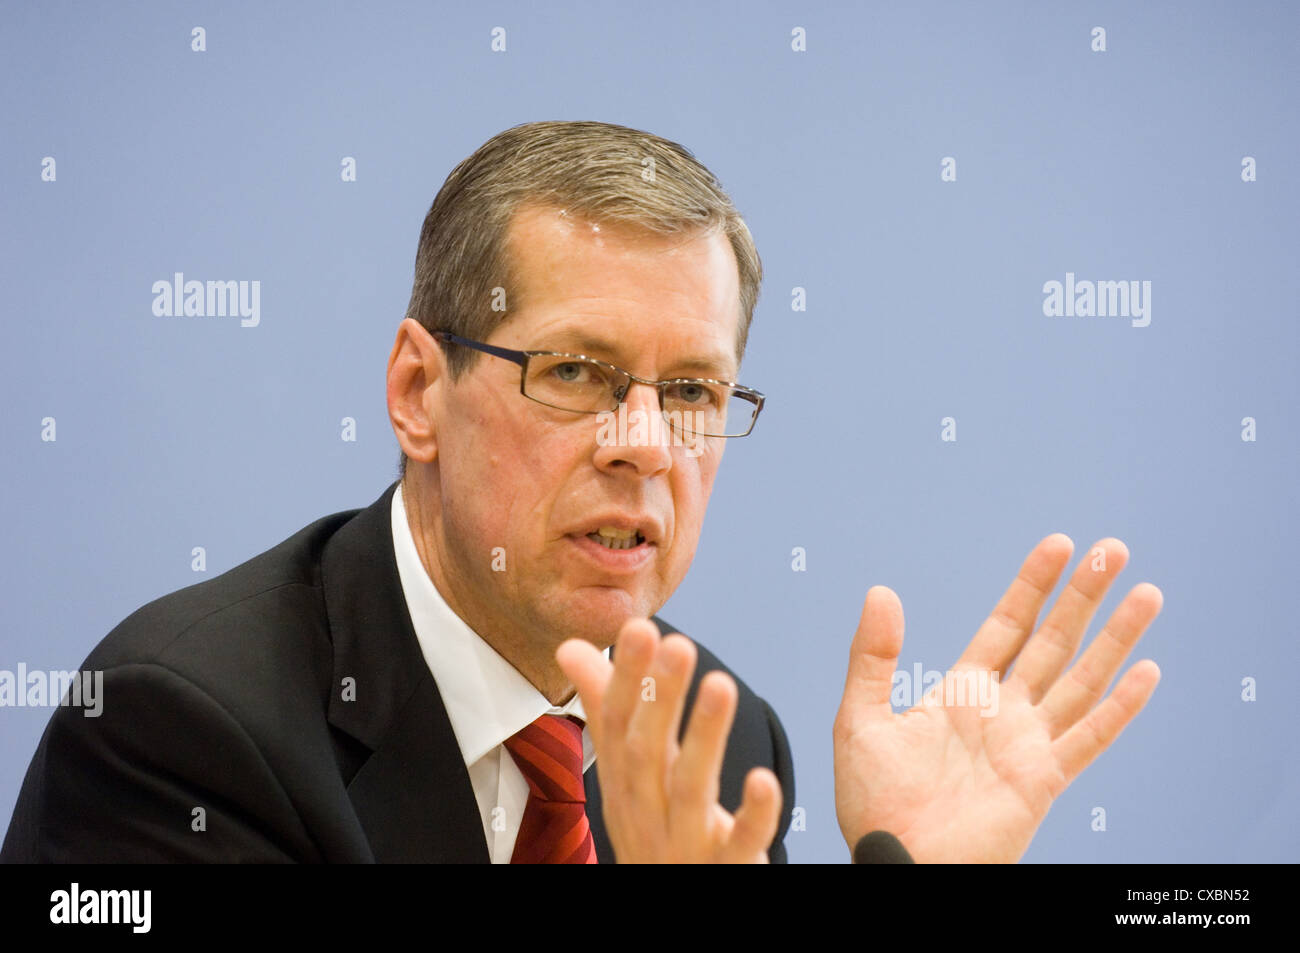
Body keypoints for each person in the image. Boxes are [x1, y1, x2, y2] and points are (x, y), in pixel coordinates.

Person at [1, 120, 1161, 864]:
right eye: (575, 372)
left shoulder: (716, 734)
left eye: (695, 389)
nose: (646, 444)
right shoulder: (182, 727)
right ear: (418, 390)